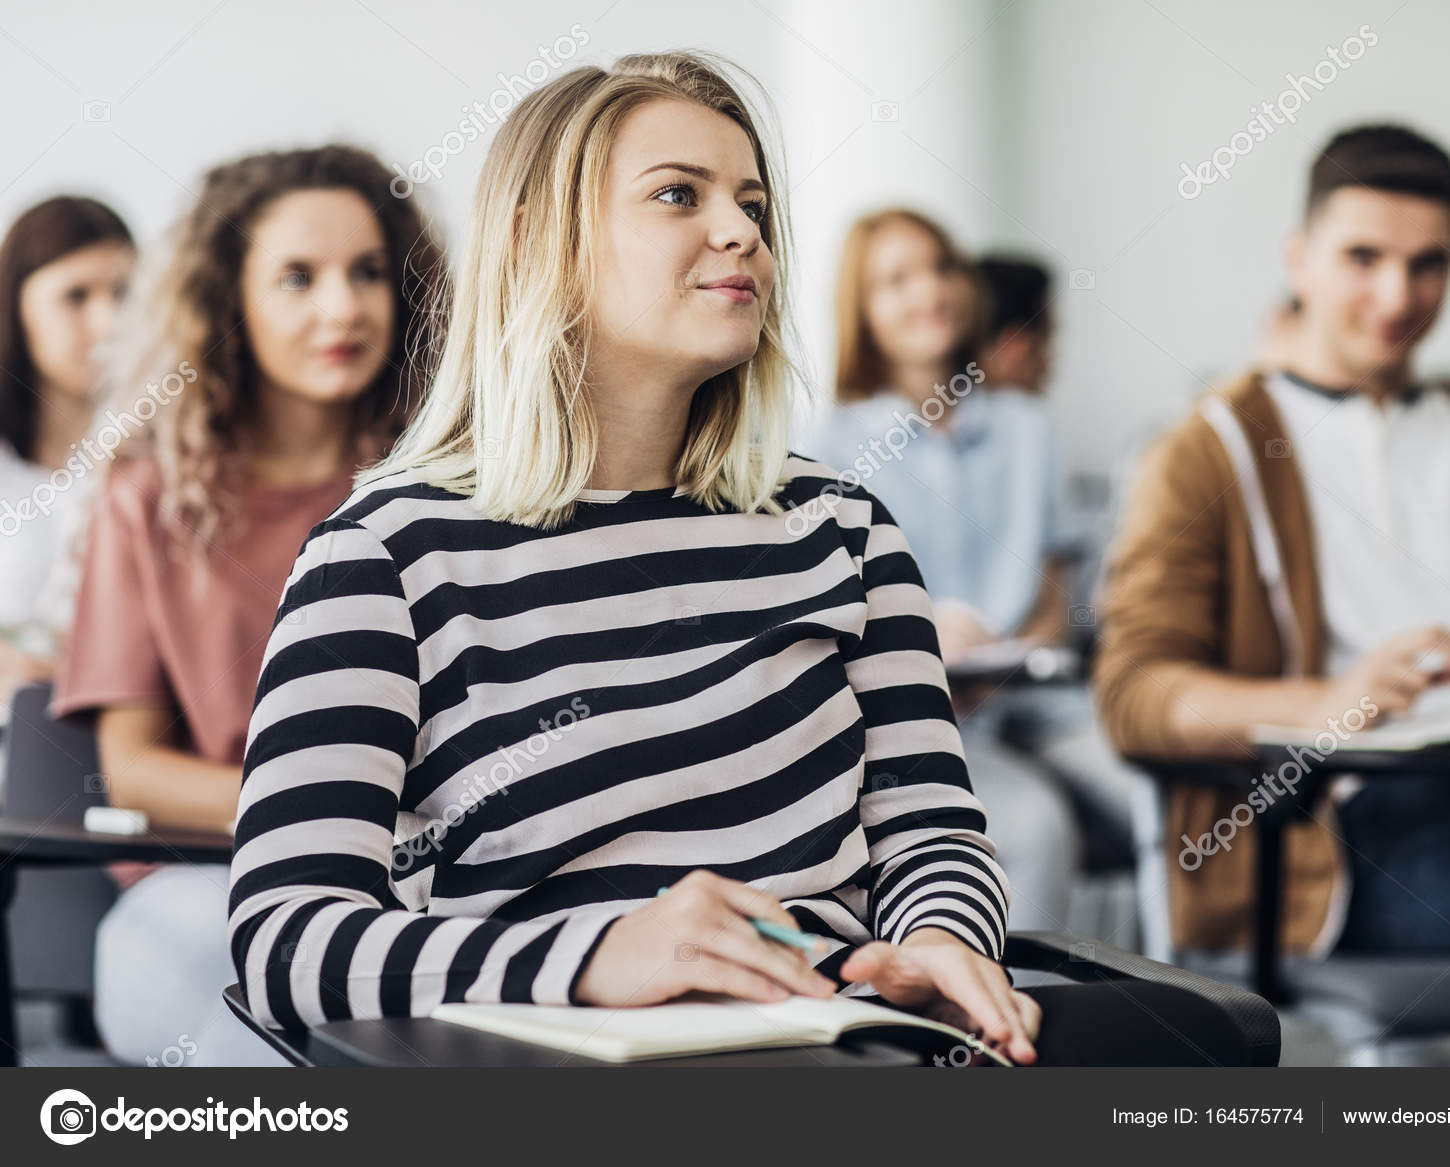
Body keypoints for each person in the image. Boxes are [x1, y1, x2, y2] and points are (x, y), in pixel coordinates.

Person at [223, 52, 1071, 1065]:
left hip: (848, 1050)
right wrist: (597, 956)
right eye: (678, 195)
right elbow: (283, 940)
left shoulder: (844, 530)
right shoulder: (381, 558)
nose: (741, 232)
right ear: (539, 241)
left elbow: (932, 833)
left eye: (752, 204)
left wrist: (939, 940)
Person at [1095, 124, 1450, 956]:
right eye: (1363, 258)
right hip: (1328, 854)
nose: (1398, 298)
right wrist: (1327, 706)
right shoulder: (1205, 454)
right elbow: (1133, 694)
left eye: (1428, 264)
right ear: (1299, 259)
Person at [49, 145, 447, 1064]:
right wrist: (334, 818)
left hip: (425, 878)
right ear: (231, 299)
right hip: (207, 877)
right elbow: (133, 769)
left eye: (368, 272)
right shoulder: (146, 500)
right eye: (298, 277)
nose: (342, 308)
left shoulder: (447, 483)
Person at [808, 210, 1080, 931]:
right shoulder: (825, 446)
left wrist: (1017, 652)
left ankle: (1191, 986)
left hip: (1038, 702)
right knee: (1037, 827)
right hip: (926, 718)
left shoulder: (1027, 427)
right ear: (861, 309)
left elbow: (1053, 592)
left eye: (941, 267)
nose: (929, 291)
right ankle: (1005, 998)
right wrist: (930, 652)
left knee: (1157, 787)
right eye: (896, 280)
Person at [0, 197, 135, 726]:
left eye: (123, 293)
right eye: (75, 296)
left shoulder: (166, 458)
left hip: (113, 742)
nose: (109, 322)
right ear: (16, 306)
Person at [974, 256, 1053, 396]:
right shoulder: (1020, 408)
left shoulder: (941, 401)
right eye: (1045, 341)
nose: (1048, 362)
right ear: (1017, 346)